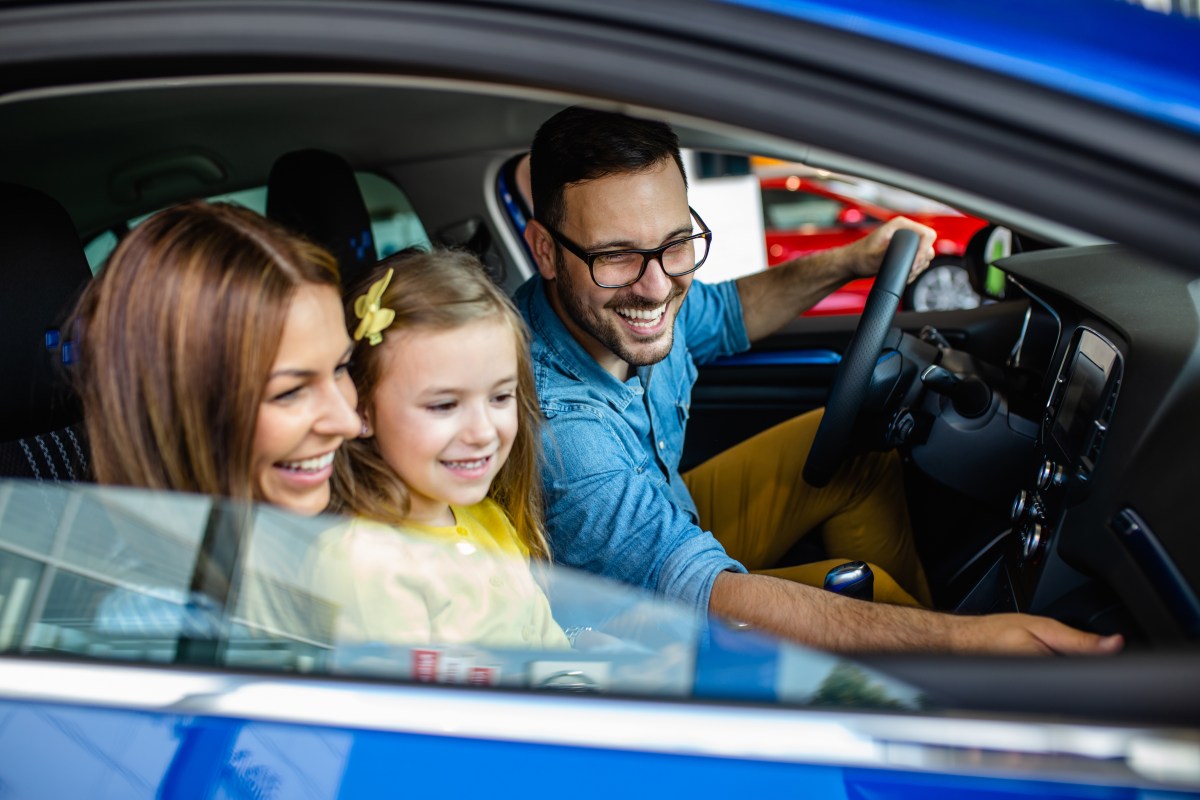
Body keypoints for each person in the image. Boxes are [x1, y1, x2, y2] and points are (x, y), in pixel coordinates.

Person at [516, 106, 1123, 655]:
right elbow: (699, 592)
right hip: (634, 630)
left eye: (675, 244)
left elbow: (729, 312)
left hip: (673, 511)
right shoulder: (563, 431)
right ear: (545, 251)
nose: (656, 287)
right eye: (616, 256)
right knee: (874, 594)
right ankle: (943, 691)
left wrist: (852, 259)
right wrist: (964, 641)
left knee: (855, 454)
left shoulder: (624, 309)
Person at [326, 249, 569, 649]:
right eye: (444, 405)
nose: (482, 432)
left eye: (500, 397)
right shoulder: (366, 563)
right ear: (362, 409)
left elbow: (549, 650)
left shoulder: (487, 517)